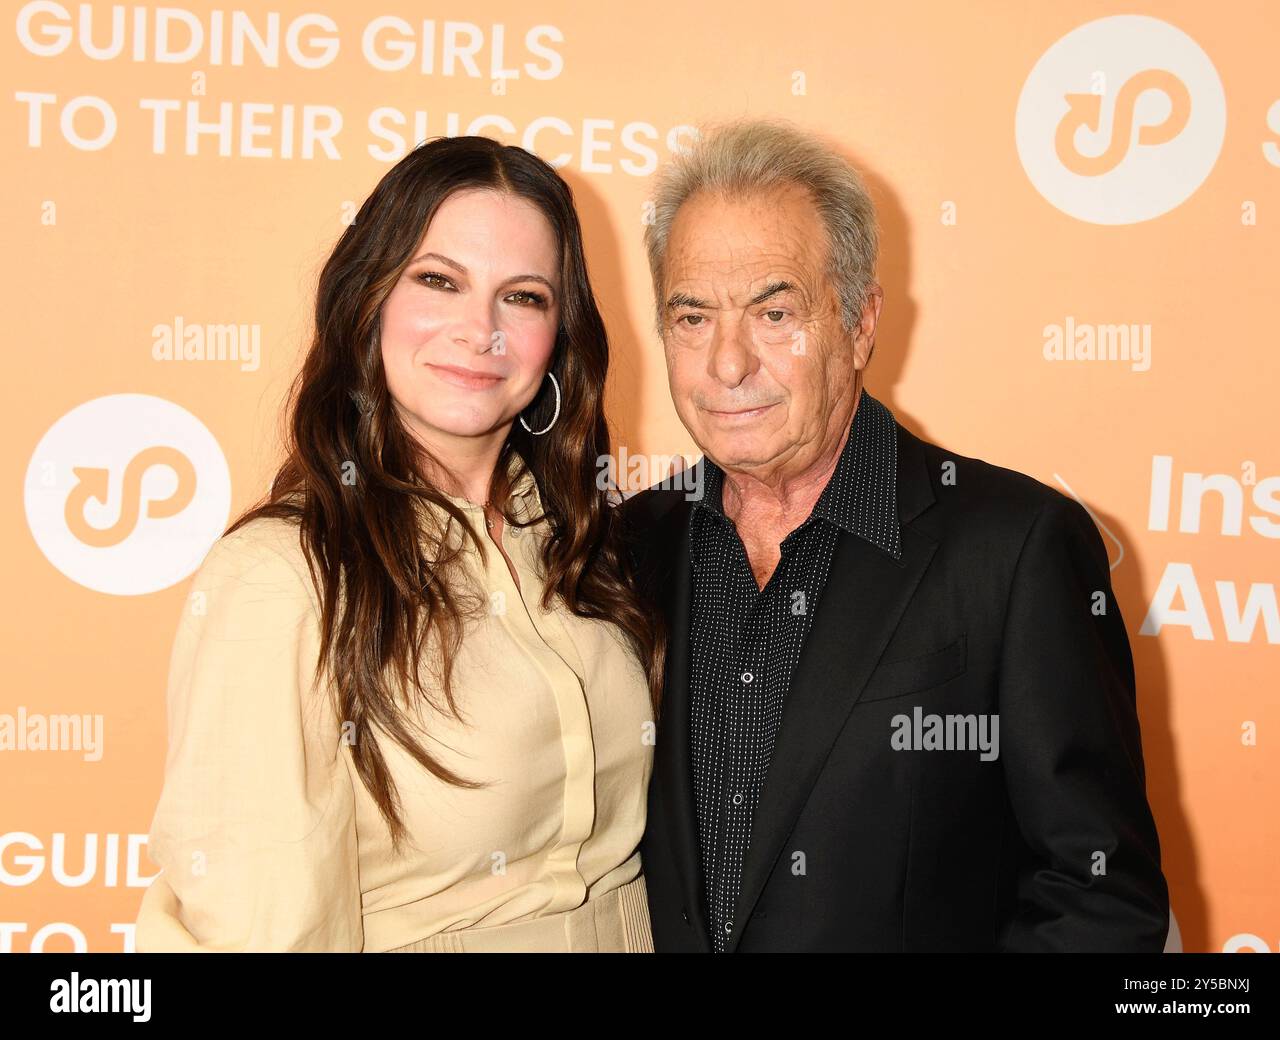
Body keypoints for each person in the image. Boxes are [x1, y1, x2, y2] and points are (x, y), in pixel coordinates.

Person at [623, 118, 1170, 952]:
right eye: (692, 317)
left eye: (775, 312)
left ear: (861, 321)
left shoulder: (1015, 550)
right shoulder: (628, 548)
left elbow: (1098, 899)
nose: (727, 364)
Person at [135, 135, 664, 952]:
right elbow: (255, 927)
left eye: (523, 297)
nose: (479, 328)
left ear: (560, 337)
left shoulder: (584, 542)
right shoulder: (283, 578)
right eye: (438, 280)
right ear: (369, 299)